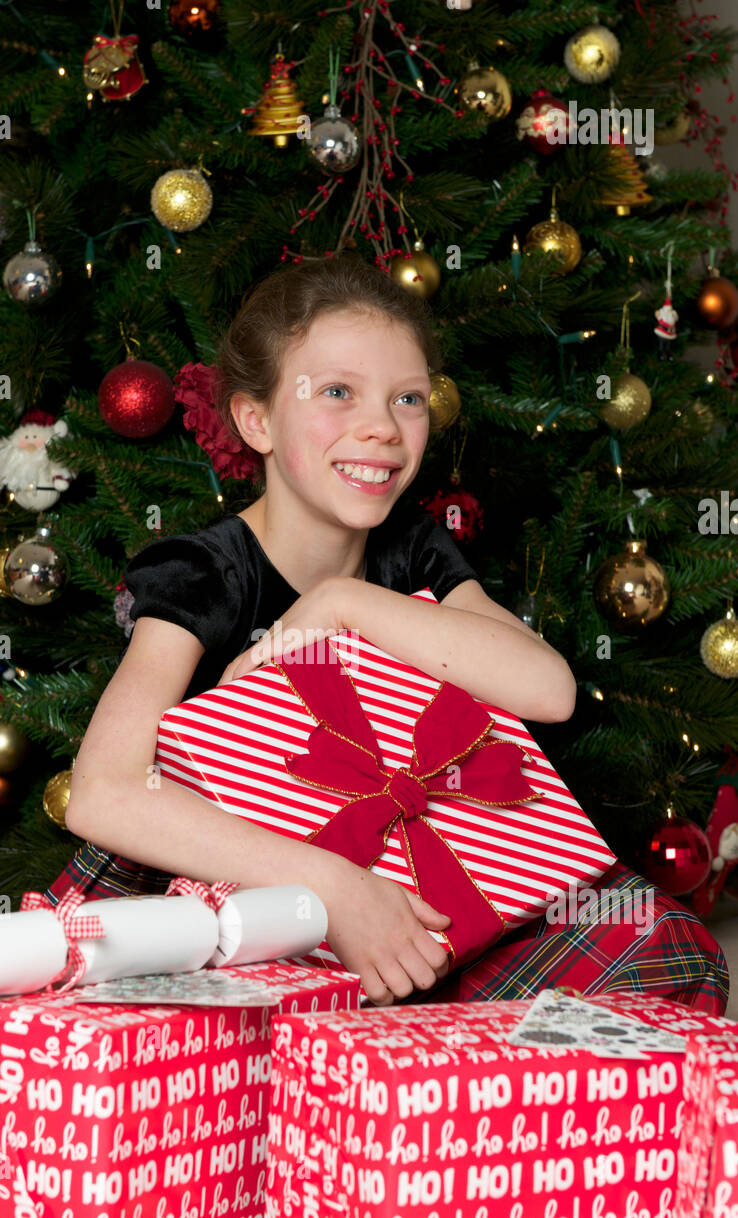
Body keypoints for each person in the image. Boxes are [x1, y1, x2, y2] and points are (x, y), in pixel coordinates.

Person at [40, 255, 728, 1016]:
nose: (382, 428)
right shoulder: (205, 574)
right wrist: (332, 887)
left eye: (408, 399)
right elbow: (101, 796)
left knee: (658, 947)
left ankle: (457, 1075)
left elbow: (549, 690)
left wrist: (343, 604)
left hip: (437, 886)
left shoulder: (412, 550)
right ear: (256, 420)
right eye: (337, 392)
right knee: (206, 1041)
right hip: (246, 899)